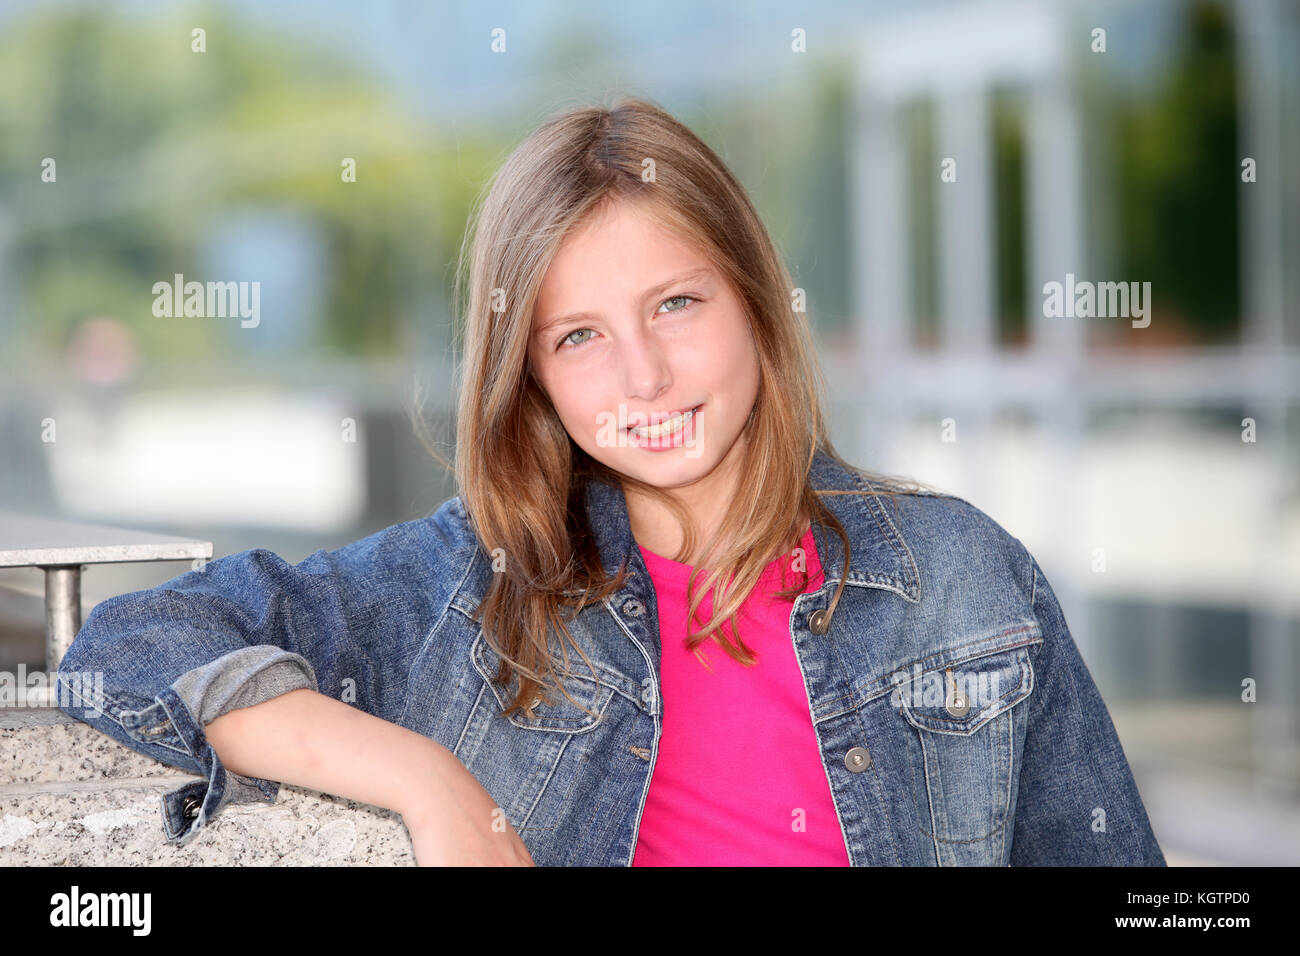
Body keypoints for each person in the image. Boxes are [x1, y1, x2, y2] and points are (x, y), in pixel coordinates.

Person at [57, 96, 1165, 867]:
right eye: (578, 335)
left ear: (759, 300)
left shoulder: (963, 582)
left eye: (677, 304)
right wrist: (433, 781)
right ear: (530, 374)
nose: (642, 374)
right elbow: (135, 645)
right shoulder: (470, 588)